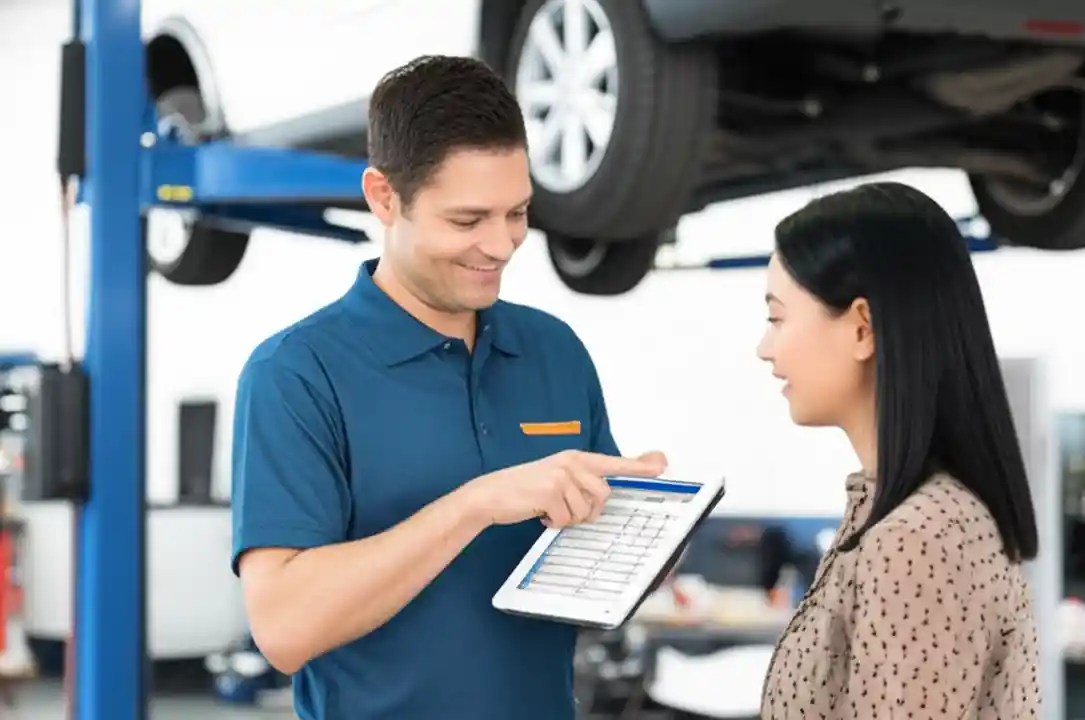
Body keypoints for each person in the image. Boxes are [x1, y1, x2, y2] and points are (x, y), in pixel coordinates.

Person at [229, 55, 666, 719]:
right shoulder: (296, 374)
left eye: (517, 212)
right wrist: (475, 505)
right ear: (384, 197)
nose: (500, 245)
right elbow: (285, 630)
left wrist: (652, 526)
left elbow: (596, 559)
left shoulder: (553, 350)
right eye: (467, 220)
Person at [755, 182, 1043, 718]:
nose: (765, 348)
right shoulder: (902, 515)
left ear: (862, 328)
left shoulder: (918, 540)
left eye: (778, 318)